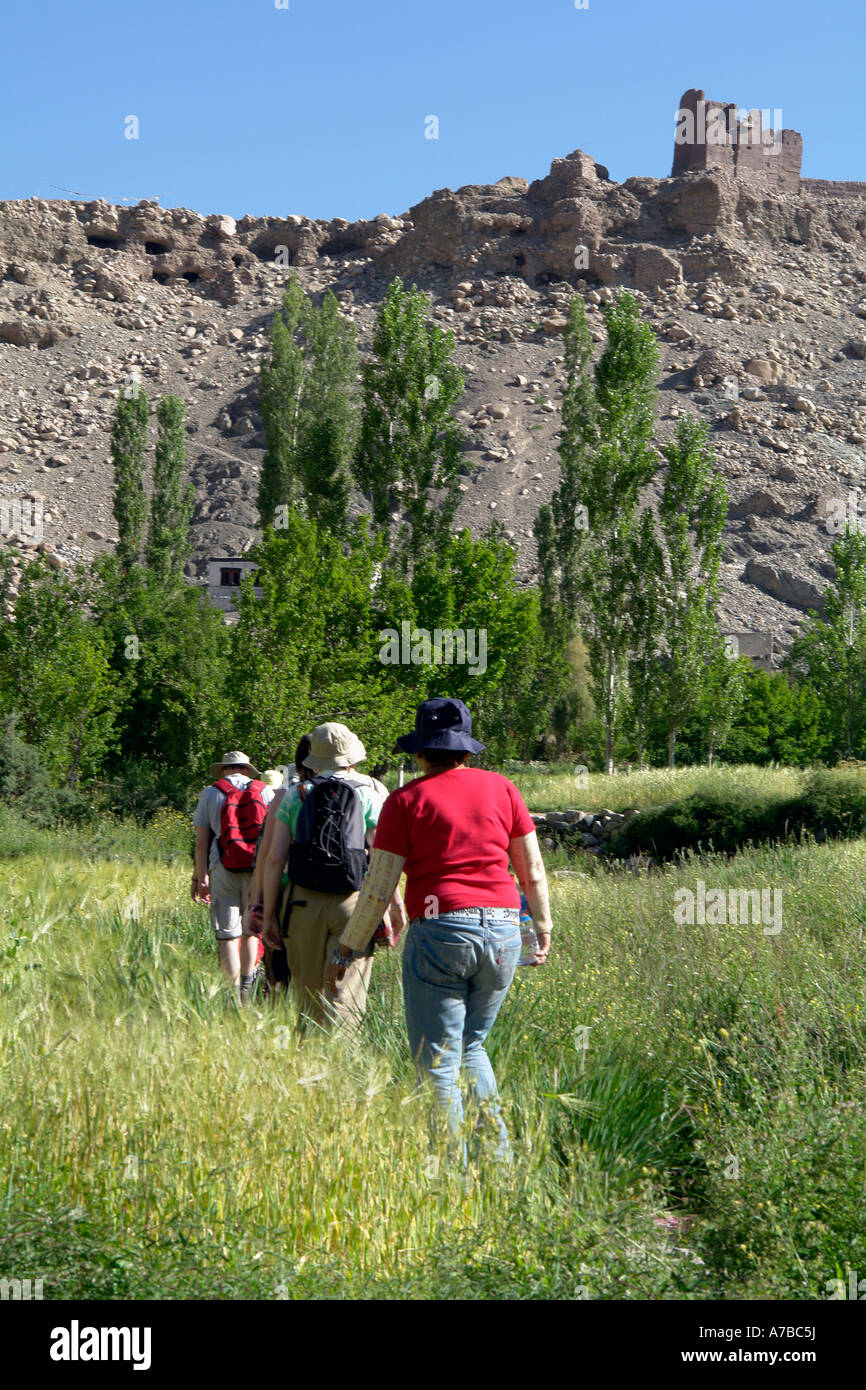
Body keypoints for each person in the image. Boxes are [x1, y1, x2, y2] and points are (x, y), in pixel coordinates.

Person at [325, 698, 552, 1161]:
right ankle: (498, 1162)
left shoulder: (405, 801)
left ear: (420, 753)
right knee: (472, 1045)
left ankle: (451, 1172)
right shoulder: (503, 790)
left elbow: (379, 886)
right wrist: (542, 928)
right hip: (505, 929)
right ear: (465, 750)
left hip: (441, 930)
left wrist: (347, 949)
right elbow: (531, 869)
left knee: (438, 1059)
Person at [261, 722, 405, 1029]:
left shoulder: (295, 795)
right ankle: (341, 1067)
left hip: (301, 904)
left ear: (315, 759)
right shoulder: (367, 794)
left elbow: (274, 859)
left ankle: (308, 1066)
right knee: (346, 995)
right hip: (353, 903)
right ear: (352, 758)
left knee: (307, 997)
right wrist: (394, 905)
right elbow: (381, 858)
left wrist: (268, 913)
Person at [192, 750, 275, 1002]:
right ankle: (247, 988)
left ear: (225, 770)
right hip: (256, 869)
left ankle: (231, 995)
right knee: (252, 930)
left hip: (222, 868)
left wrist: (200, 877)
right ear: (247, 769)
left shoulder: (210, 793)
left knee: (228, 934)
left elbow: (201, 843)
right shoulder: (265, 791)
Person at [246, 735, 316, 994]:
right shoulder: (356, 792)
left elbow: (268, 855)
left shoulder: (286, 797)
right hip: (337, 895)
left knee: (278, 977)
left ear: (299, 763)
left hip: (289, 894)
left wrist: (258, 904)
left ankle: (275, 1026)